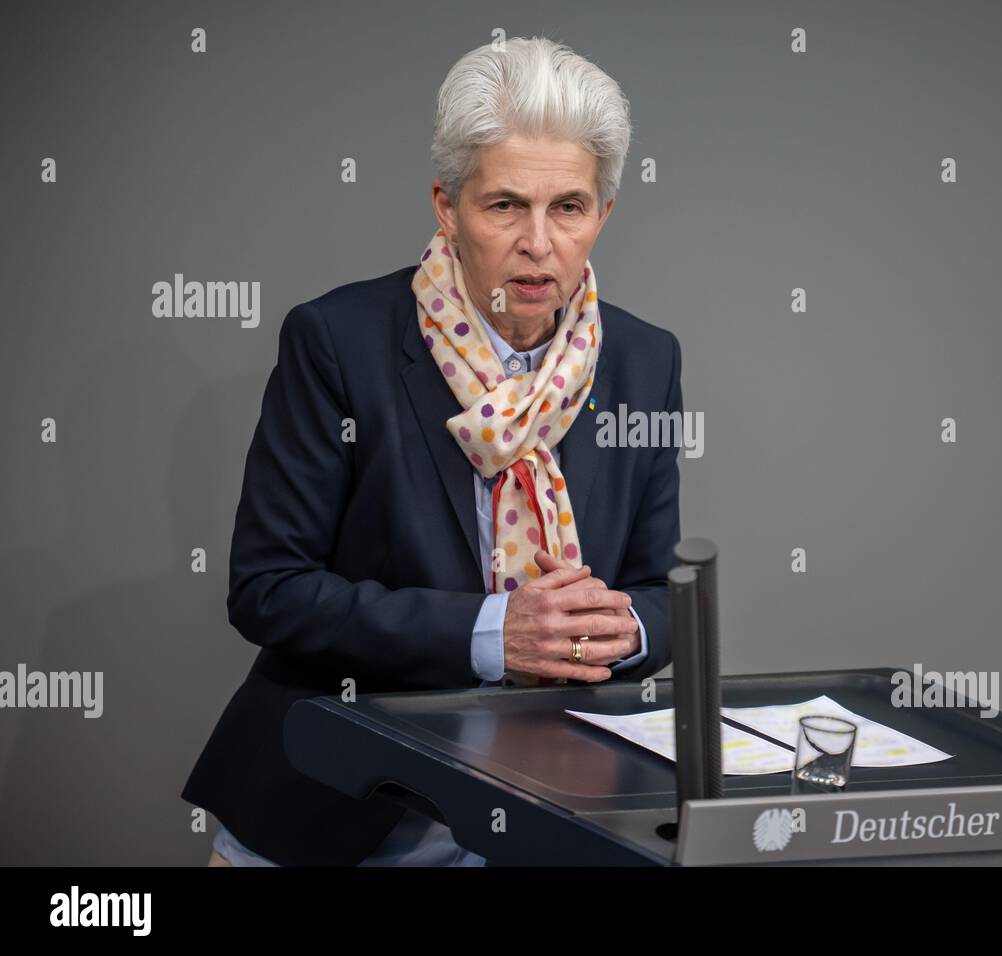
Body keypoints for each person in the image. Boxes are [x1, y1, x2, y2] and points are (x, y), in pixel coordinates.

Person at [182, 35, 683, 866]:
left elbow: (659, 594)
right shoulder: (338, 341)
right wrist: (494, 632)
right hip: (338, 814)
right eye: (503, 206)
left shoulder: (644, 359)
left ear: (603, 214)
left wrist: (618, 627)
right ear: (447, 207)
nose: (538, 242)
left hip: (551, 817)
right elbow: (270, 590)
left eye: (568, 206)